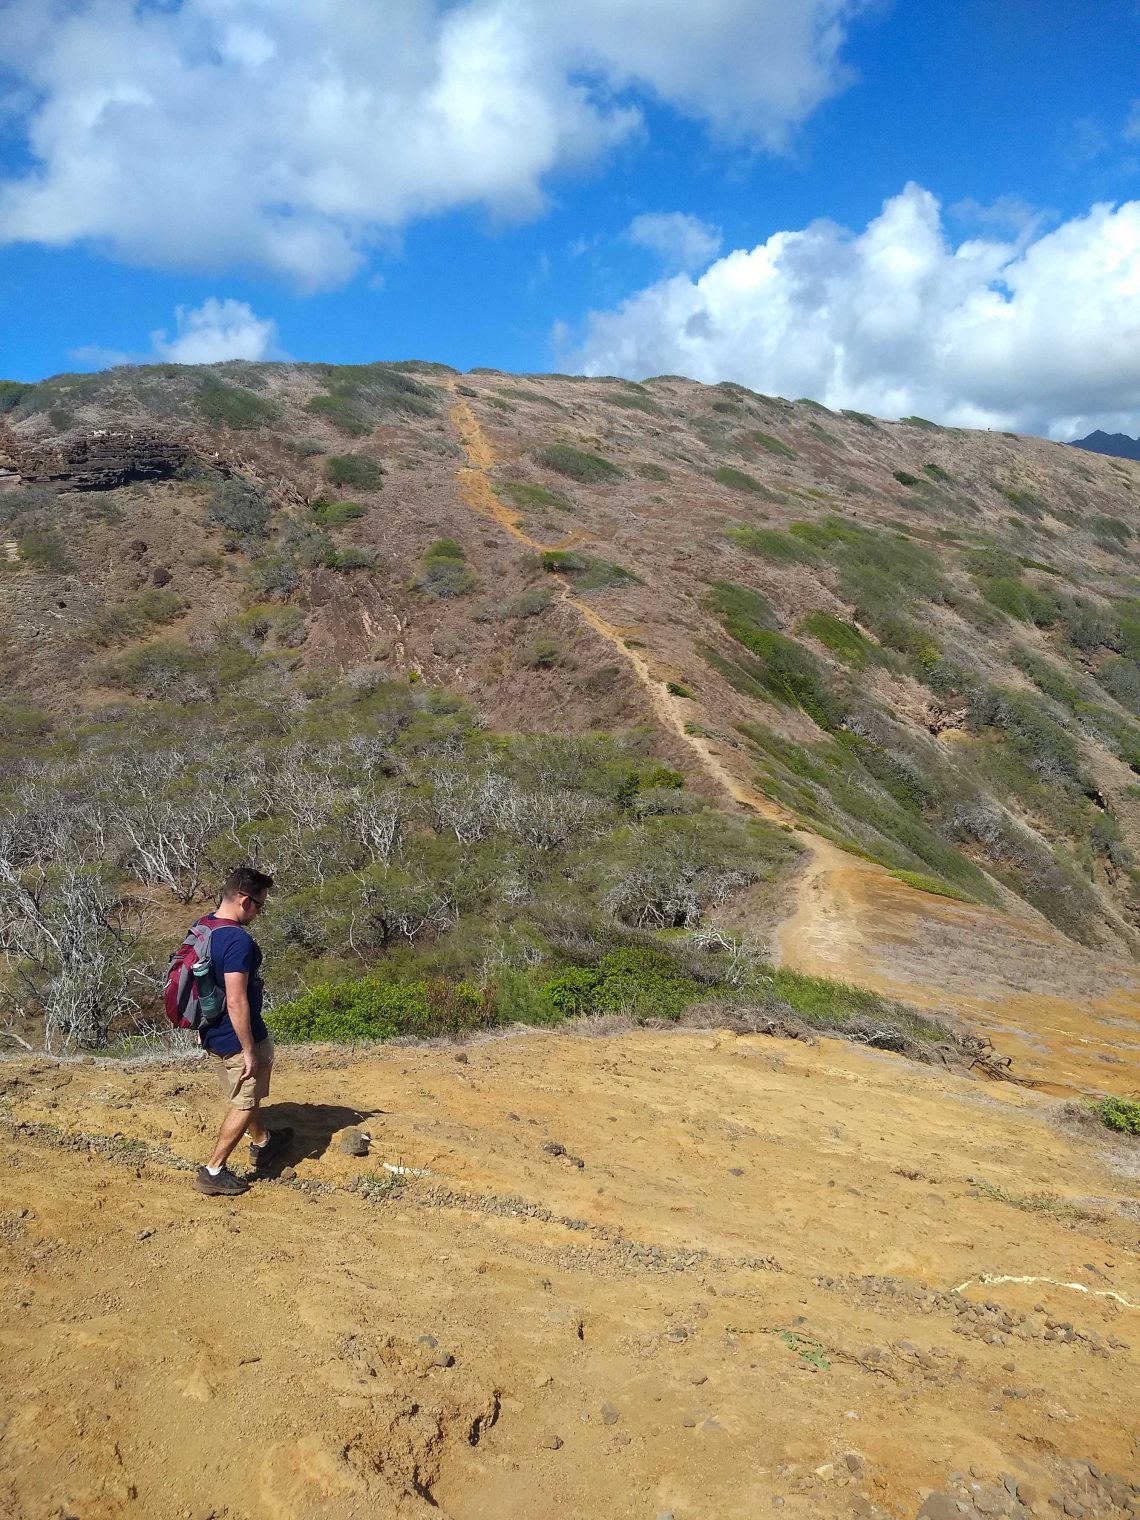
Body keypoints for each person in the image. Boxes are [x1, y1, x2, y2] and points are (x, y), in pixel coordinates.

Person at [194, 865, 291, 1197]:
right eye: (259, 905)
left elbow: (202, 983)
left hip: (212, 1032)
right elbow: (236, 1000)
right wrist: (249, 1048)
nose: (259, 913)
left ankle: (263, 1142)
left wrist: (201, 1024)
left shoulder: (204, 926)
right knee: (246, 1102)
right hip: (237, 1036)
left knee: (246, 1095)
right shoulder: (237, 940)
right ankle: (213, 1170)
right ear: (244, 900)